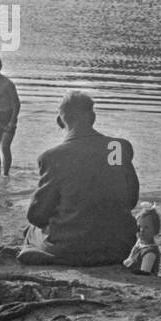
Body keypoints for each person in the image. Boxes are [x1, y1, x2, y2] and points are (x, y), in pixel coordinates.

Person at [18, 91, 139, 266]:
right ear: (93, 118)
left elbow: (37, 215)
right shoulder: (116, 148)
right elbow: (130, 199)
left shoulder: (54, 157)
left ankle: (41, 254)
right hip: (120, 245)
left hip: (72, 247)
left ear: (60, 122)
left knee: (31, 230)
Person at [124, 206, 161, 276]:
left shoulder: (150, 253)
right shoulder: (140, 243)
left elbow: (144, 274)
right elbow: (128, 261)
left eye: (146, 227)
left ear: (155, 230)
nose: (141, 230)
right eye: (139, 227)